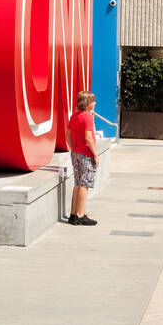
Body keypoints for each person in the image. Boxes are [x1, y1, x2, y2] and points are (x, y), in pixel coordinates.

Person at [66, 91, 99, 226]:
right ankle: (80, 215)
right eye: (93, 101)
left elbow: (68, 134)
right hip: (86, 154)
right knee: (84, 185)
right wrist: (95, 155)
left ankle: (74, 214)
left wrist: (73, 148)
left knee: (78, 182)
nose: (95, 103)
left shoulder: (74, 116)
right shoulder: (88, 117)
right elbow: (88, 137)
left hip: (76, 153)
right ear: (88, 104)